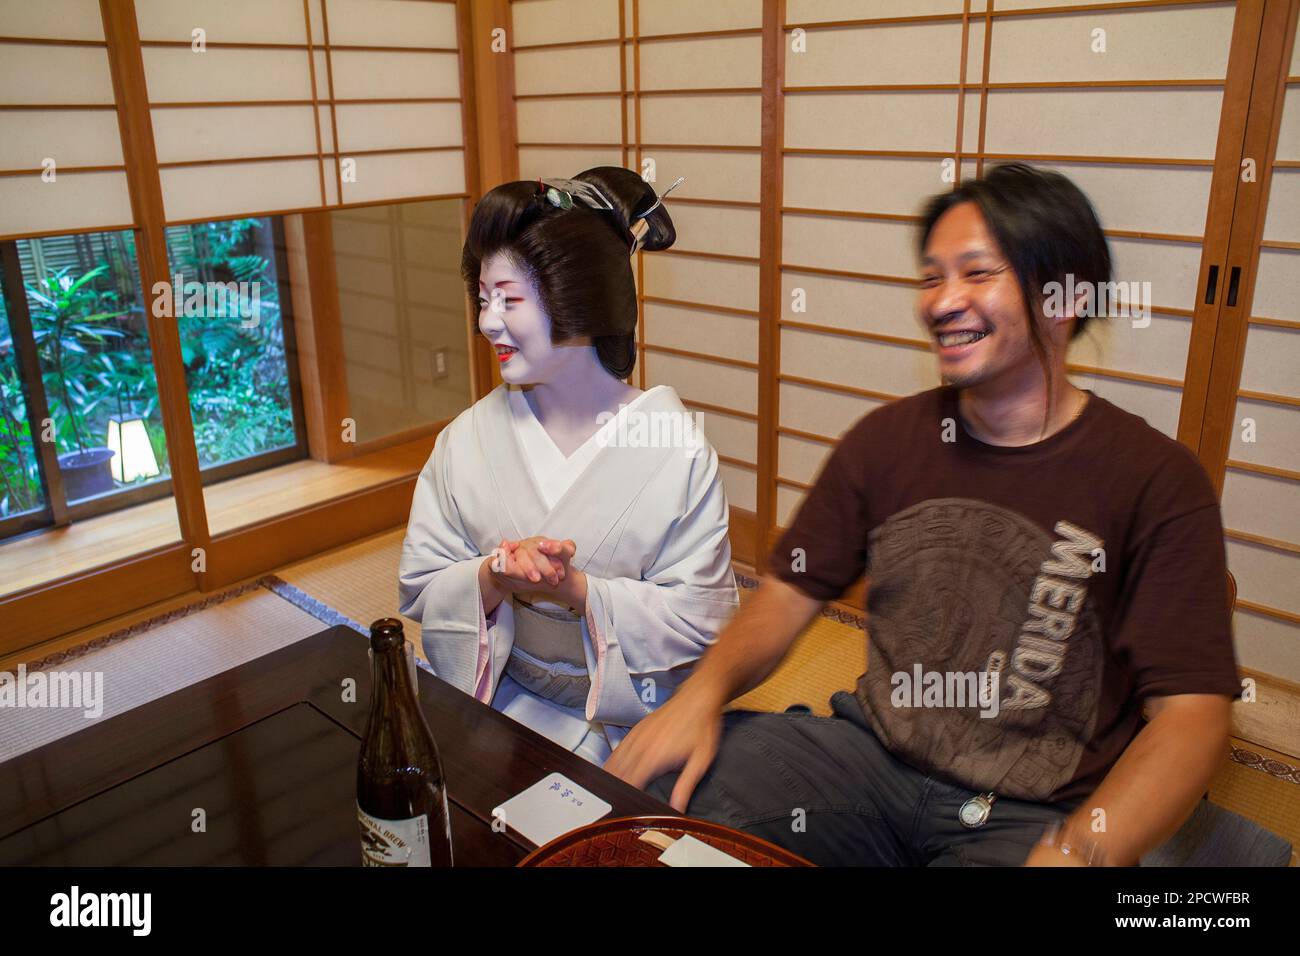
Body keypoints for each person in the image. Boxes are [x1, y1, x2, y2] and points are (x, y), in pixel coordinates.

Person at [606, 163, 1241, 866]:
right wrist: (702, 692)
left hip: (1037, 813)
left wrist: (1079, 852)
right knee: (663, 790)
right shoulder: (888, 442)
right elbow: (786, 594)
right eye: (932, 277)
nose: (943, 301)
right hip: (870, 760)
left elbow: (1192, 713)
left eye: (976, 273)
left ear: (1064, 297)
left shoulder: (1155, 480)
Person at [398, 166, 739, 766]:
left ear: (578, 302)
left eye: (510, 300)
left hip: (637, 723)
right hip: (500, 698)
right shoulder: (464, 441)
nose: (487, 322)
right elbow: (424, 583)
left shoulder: (676, 450)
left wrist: (579, 590)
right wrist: (493, 577)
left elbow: (702, 617)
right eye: (482, 300)